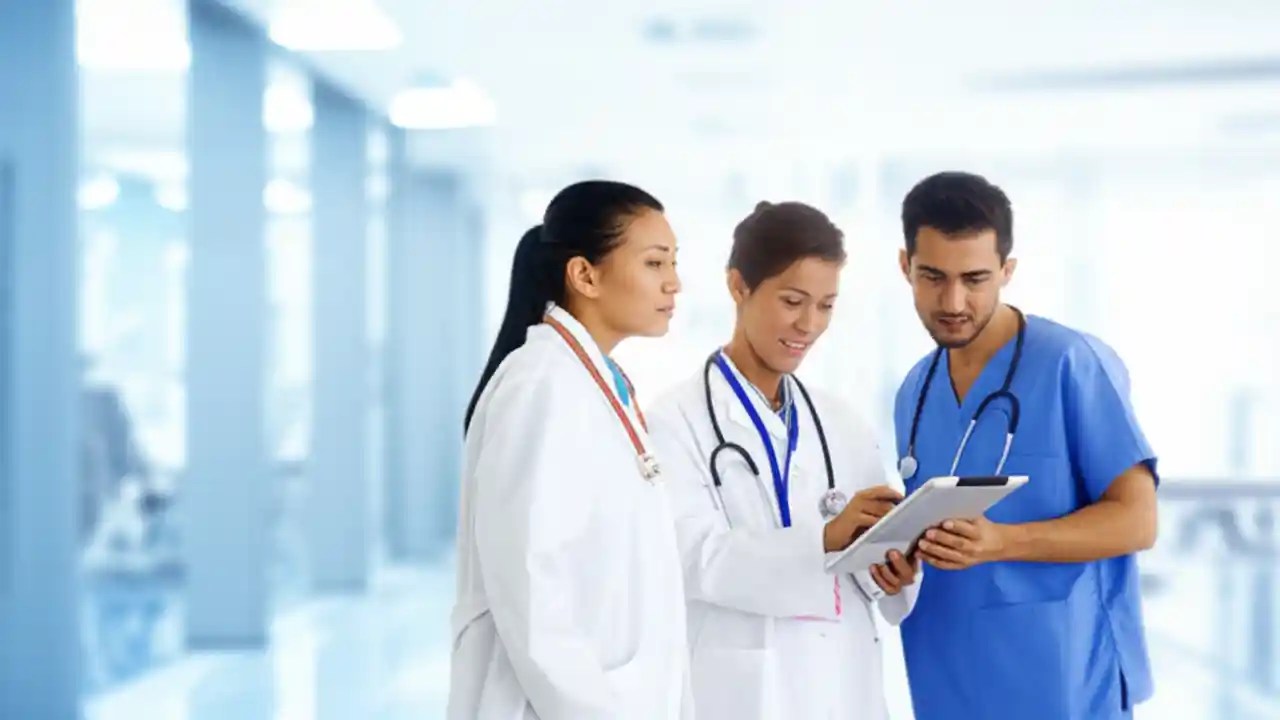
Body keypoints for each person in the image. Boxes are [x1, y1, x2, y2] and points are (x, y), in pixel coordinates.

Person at [891, 171, 1159, 719]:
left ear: (1007, 271)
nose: (953, 300)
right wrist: (894, 555)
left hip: (1061, 678)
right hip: (946, 674)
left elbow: (1138, 521)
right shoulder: (915, 390)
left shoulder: (1071, 363)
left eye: (976, 278)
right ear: (905, 267)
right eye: (933, 277)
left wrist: (1002, 542)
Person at [647, 201, 919, 720]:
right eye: (793, 300)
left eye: (826, 305)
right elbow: (690, 559)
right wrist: (823, 538)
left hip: (844, 684)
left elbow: (870, 572)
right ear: (738, 287)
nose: (809, 324)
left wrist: (895, 567)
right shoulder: (674, 421)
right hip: (744, 694)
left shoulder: (842, 422)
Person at [447, 180, 691, 720]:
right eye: (655, 264)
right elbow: (531, 591)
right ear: (585, 275)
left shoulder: (591, 381)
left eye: (673, 263)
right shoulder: (540, 384)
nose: (674, 283)